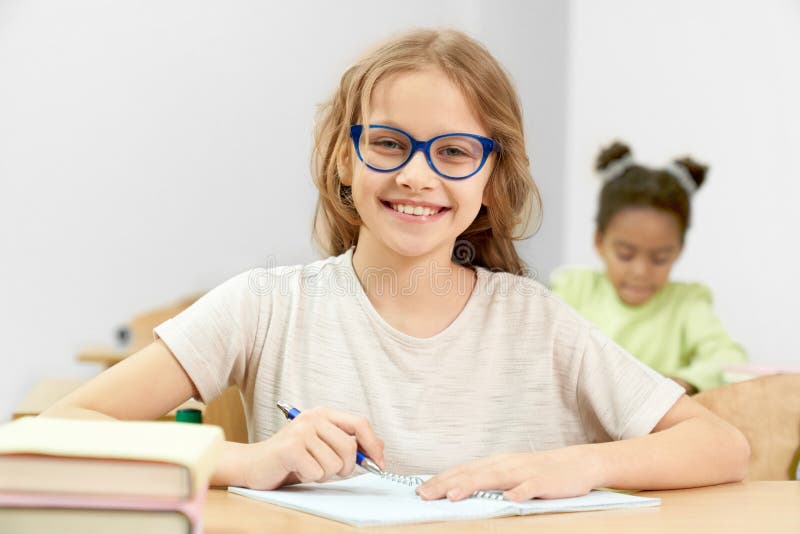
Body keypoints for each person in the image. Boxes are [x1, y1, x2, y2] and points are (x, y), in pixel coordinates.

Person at [43, 29, 749, 502]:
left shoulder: (535, 322)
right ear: (346, 160)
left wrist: (580, 464)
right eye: (389, 144)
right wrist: (245, 462)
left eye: (452, 152)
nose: (418, 175)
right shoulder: (266, 305)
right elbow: (59, 426)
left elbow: (720, 447)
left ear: (489, 181)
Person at [551, 142, 747, 394]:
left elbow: (730, 360)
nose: (641, 271)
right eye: (625, 255)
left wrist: (680, 383)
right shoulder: (574, 290)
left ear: (678, 250)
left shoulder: (687, 303)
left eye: (659, 258)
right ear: (599, 242)